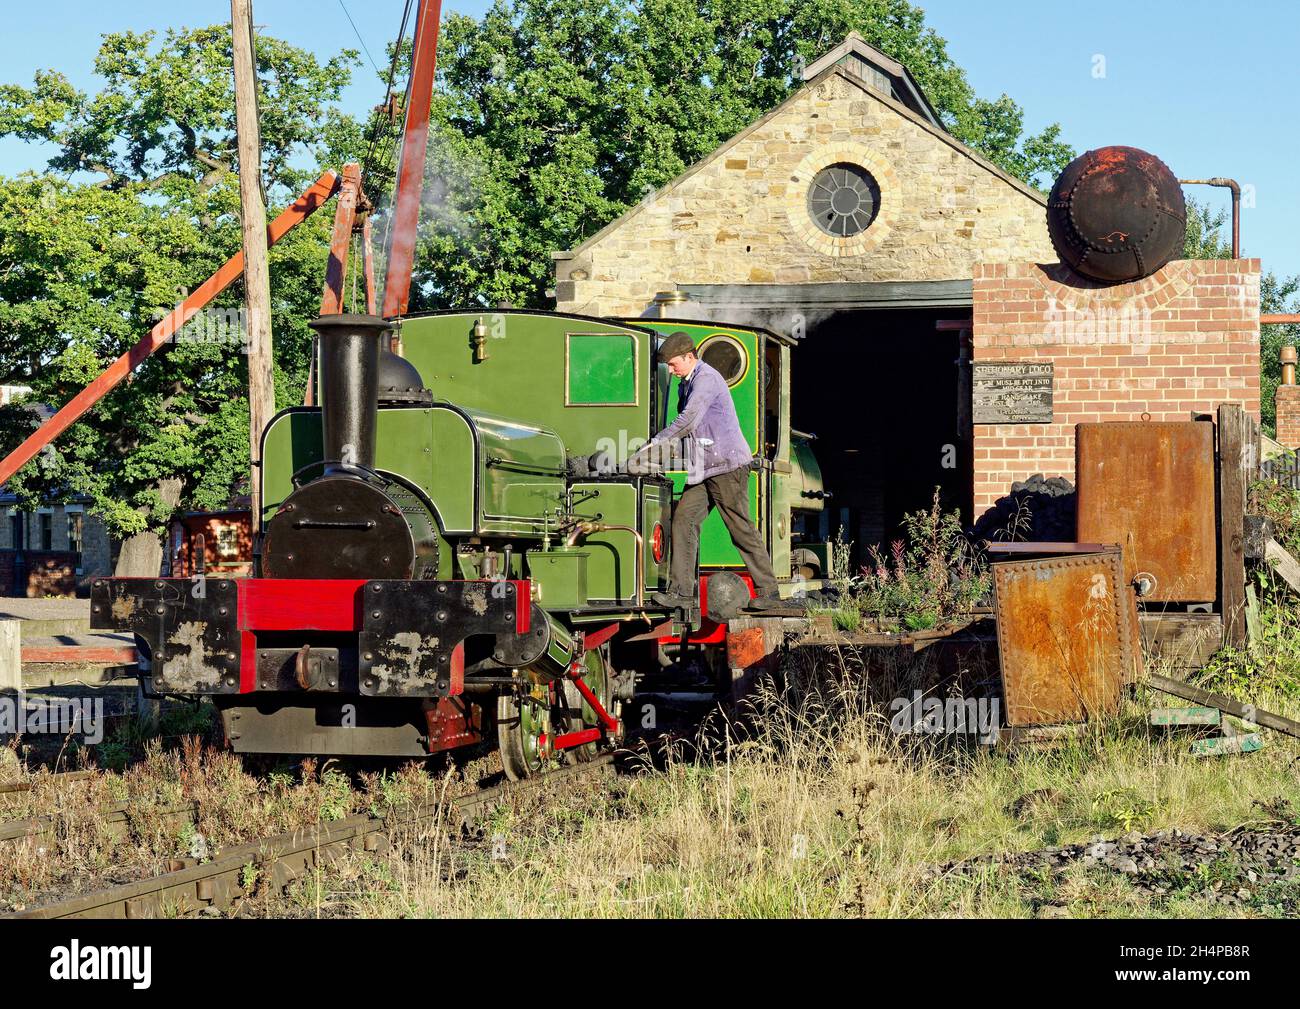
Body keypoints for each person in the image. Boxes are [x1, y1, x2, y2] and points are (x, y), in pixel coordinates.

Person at [637, 331, 797, 612]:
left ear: (690, 356)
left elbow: (688, 420)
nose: (671, 371)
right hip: (705, 468)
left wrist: (656, 444)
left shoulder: (706, 379)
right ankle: (683, 593)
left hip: (727, 466)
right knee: (683, 520)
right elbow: (690, 432)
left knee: (740, 528)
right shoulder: (685, 384)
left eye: (674, 365)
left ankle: (769, 593)